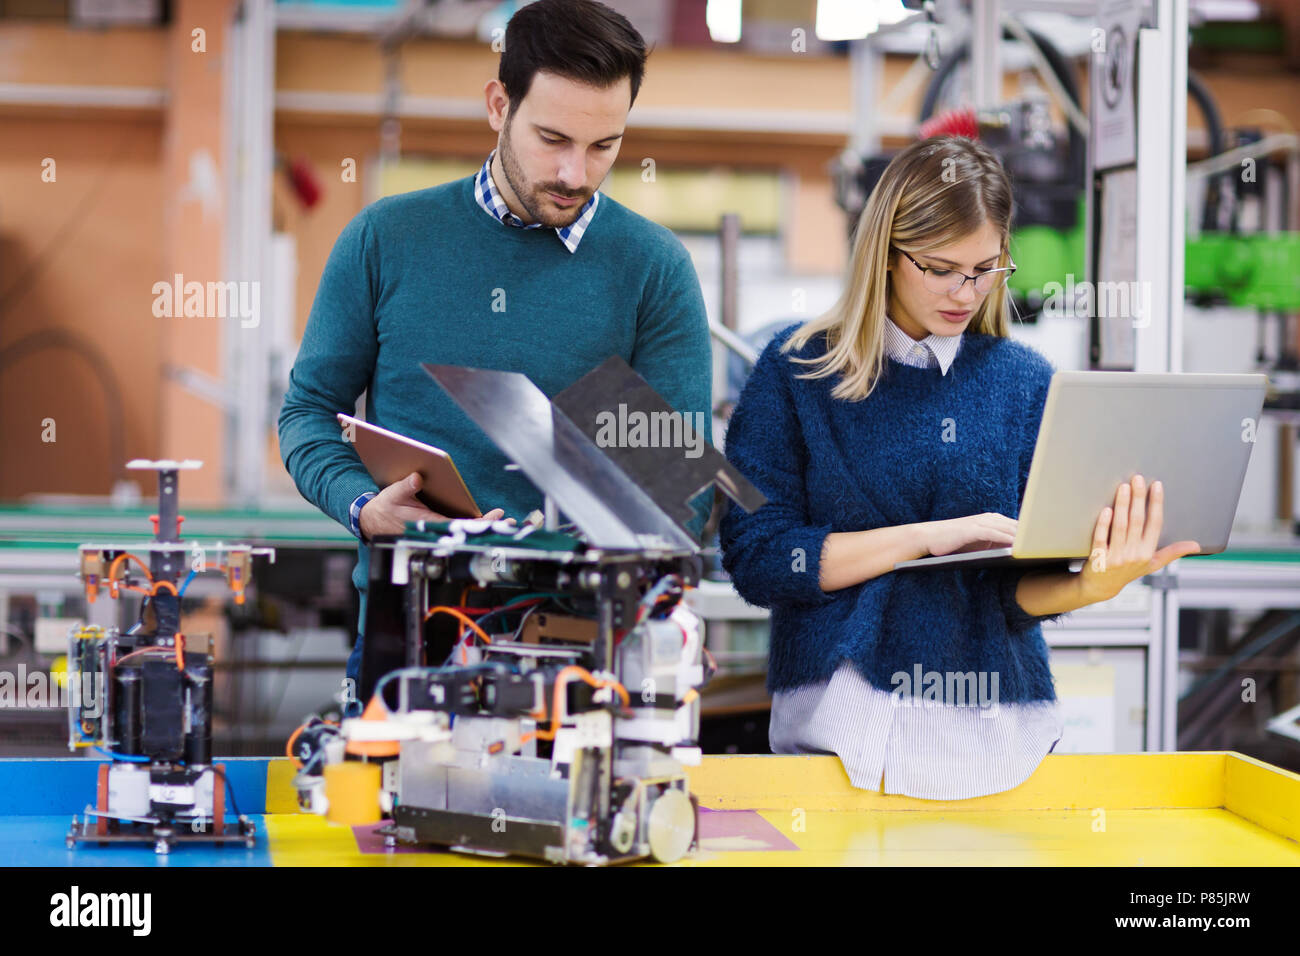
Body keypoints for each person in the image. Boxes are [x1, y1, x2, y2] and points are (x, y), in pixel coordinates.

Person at [718, 135, 1200, 799]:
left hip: (1002, 748)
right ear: (885, 253)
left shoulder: (1025, 383)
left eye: (985, 268)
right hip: (838, 742)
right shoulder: (798, 368)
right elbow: (762, 557)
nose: (963, 291)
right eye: (940, 268)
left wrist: (1095, 583)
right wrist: (923, 540)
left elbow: (1012, 595)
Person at [277, 0, 712, 695]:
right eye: (553, 138)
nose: (576, 173)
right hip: (412, 634)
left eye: (604, 146)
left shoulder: (653, 270)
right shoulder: (386, 241)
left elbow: (676, 488)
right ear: (497, 104)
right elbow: (307, 414)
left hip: (585, 652)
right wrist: (364, 505)